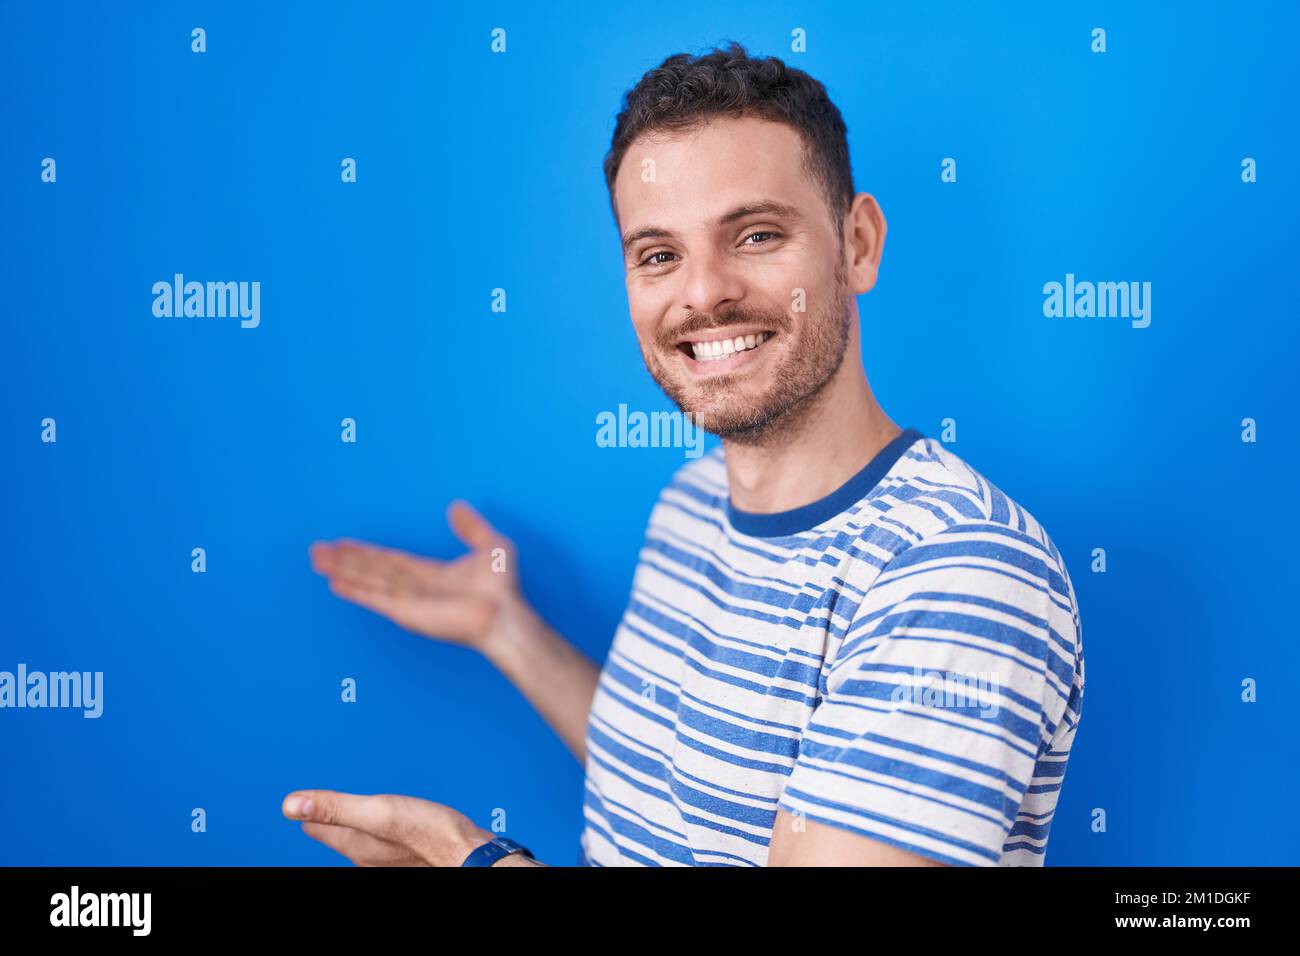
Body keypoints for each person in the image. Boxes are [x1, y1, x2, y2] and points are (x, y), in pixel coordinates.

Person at [282, 42, 1085, 868]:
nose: (702, 294)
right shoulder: (692, 503)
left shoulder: (959, 571)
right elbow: (681, 797)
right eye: (659, 255)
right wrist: (509, 631)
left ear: (858, 246)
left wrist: (479, 862)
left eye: (756, 235)